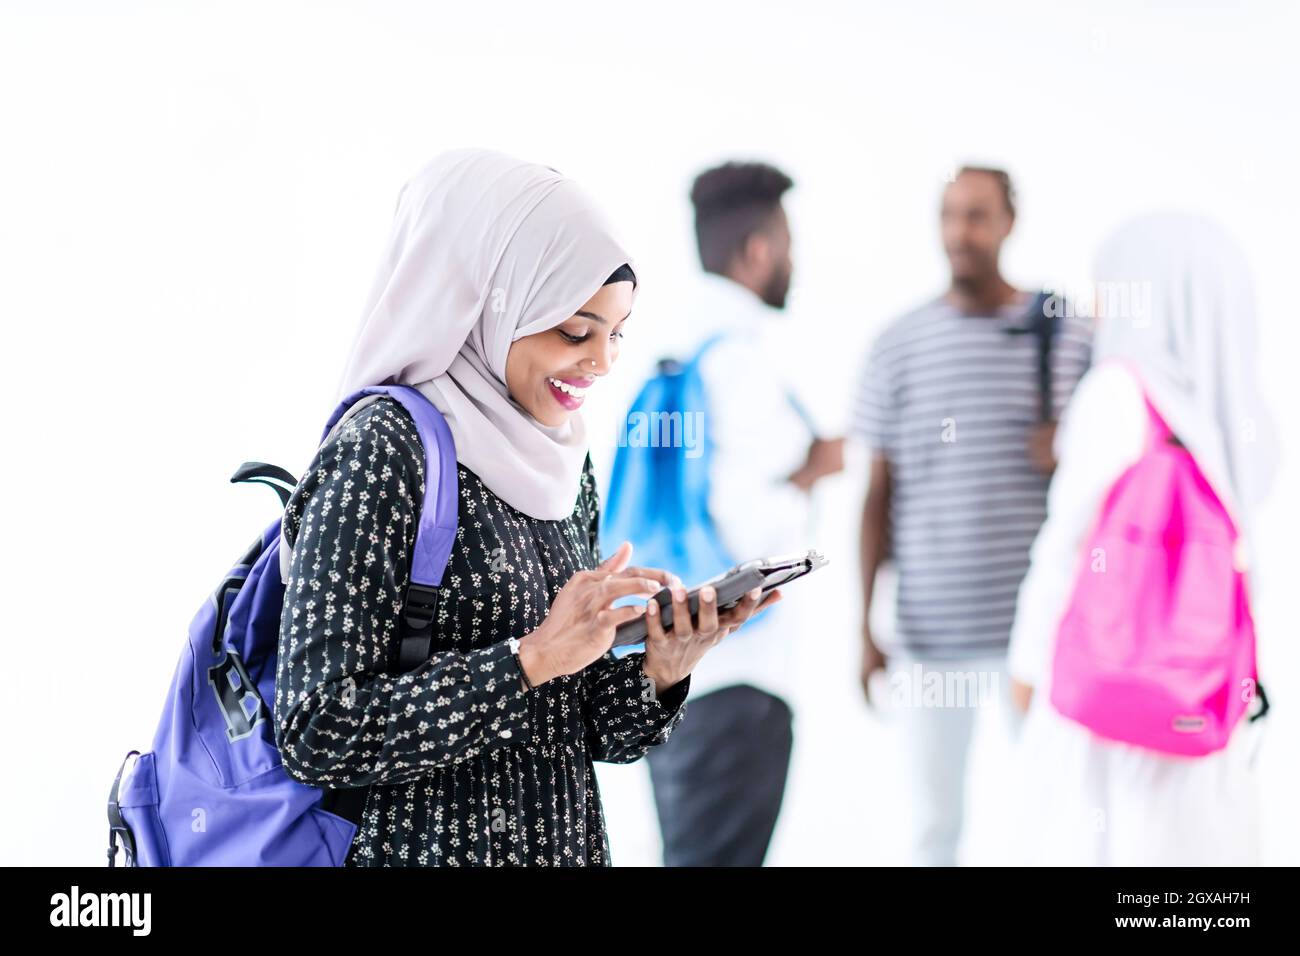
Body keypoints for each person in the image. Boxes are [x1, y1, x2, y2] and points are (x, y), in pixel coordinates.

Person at [273, 148, 780, 867]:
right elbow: (315, 729)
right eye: (576, 331)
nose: (602, 363)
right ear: (488, 296)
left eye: (615, 334)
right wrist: (528, 659)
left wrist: (662, 667)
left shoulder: (563, 463)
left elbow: (582, 728)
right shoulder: (383, 450)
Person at [1006, 211, 1277, 865]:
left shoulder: (1118, 393)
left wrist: (1023, 674)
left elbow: (1062, 552)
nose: (1098, 309)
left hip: (1105, 723)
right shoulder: (1241, 417)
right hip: (1201, 716)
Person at [850, 166, 1092, 865]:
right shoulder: (896, 345)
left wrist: (1069, 450)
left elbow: (1118, 456)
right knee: (933, 825)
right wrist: (865, 625)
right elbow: (877, 496)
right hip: (931, 625)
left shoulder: (1066, 331)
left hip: (1041, 625)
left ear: (1009, 222)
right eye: (950, 215)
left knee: (1059, 812)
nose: (961, 232)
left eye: (978, 215)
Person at [644, 160, 842, 867]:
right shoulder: (741, 359)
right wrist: (812, 474)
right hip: (740, 678)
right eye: (786, 242)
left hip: (667, 673)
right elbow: (752, 533)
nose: (793, 259)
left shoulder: (666, 352)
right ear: (758, 251)